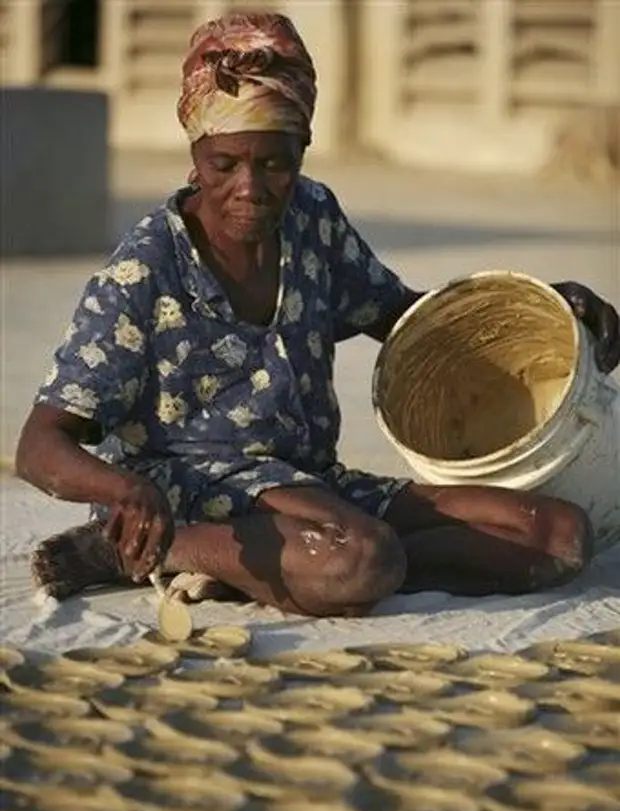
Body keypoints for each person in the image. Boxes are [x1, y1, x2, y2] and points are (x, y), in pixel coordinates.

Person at [16, 12, 620, 617]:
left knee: (559, 537)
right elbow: (41, 446)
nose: (250, 187)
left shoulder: (312, 220)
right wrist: (125, 491)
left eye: (275, 163)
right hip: (189, 492)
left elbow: (409, 326)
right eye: (224, 164)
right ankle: (149, 551)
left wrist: (542, 306)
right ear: (195, 154)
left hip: (311, 486)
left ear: (302, 150)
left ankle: (288, 567)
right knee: (356, 557)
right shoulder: (144, 273)